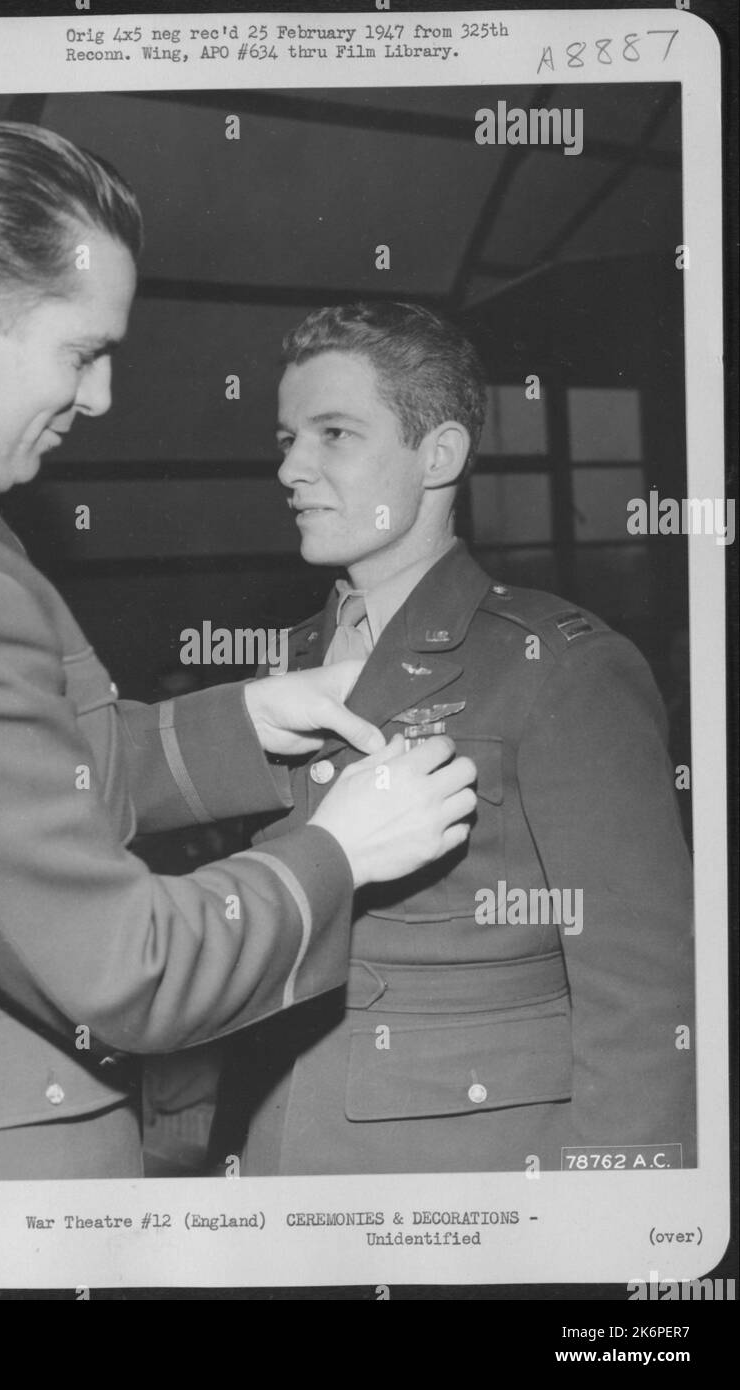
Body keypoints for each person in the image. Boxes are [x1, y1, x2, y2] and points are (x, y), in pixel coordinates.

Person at [0, 127, 477, 1183]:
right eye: (84, 352)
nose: (104, 398)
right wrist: (340, 849)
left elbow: (21, 782)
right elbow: (130, 967)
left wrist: (246, 720)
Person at [215, 302, 695, 1175]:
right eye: (286, 438)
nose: (290, 467)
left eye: (333, 435)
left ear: (437, 455)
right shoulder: (279, 672)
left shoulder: (559, 666)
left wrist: (619, 1213)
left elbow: (643, 980)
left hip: (465, 1169)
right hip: (280, 1146)